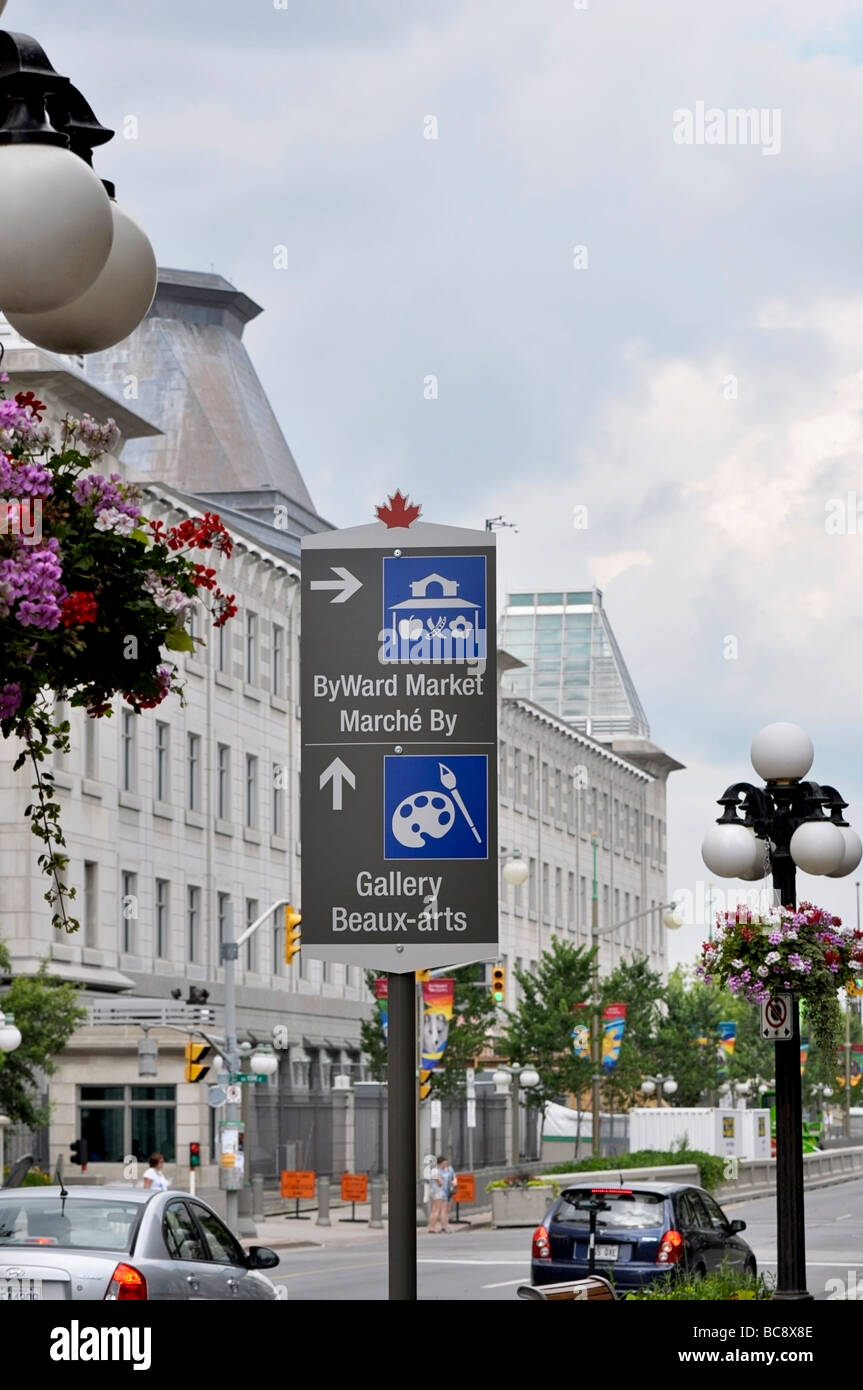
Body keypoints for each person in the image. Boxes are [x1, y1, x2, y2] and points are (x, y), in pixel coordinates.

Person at [427, 1156, 457, 1233]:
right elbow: (440, 1183)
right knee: (438, 1210)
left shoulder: (434, 1171)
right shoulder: (436, 1171)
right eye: (444, 1163)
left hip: (435, 1192)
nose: (445, 1165)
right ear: (439, 1163)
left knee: (436, 1210)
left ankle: (433, 1227)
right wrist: (443, 1182)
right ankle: (435, 1227)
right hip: (439, 1192)